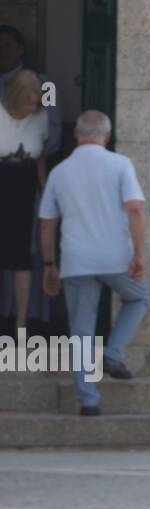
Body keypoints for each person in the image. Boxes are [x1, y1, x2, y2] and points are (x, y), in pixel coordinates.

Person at [37, 111, 149, 417]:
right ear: (107, 135)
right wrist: (139, 253)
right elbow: (136, 210)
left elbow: (46, 222)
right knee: (138, 297)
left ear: (76, 136)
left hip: (76, 260)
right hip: (117, 258)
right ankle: (113, 354)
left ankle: (88, 400)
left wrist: (49, 264)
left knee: (82, 331)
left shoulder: (60, 172)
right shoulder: (120, 164)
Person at [1, 70, 47, 334]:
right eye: (30, 102)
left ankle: (21, 324)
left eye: (37, 102)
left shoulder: (40, 116)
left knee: (22, 258)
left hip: (25, 191)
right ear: (16, 97)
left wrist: (46, 193)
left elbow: (40, 159)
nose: (34, 107)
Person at [0, 24, 60, 159]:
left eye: (8, 45)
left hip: (32, 161)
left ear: (21, 49)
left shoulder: (46, 85)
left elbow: (53, 125)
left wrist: (39, 155)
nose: (2, 51)